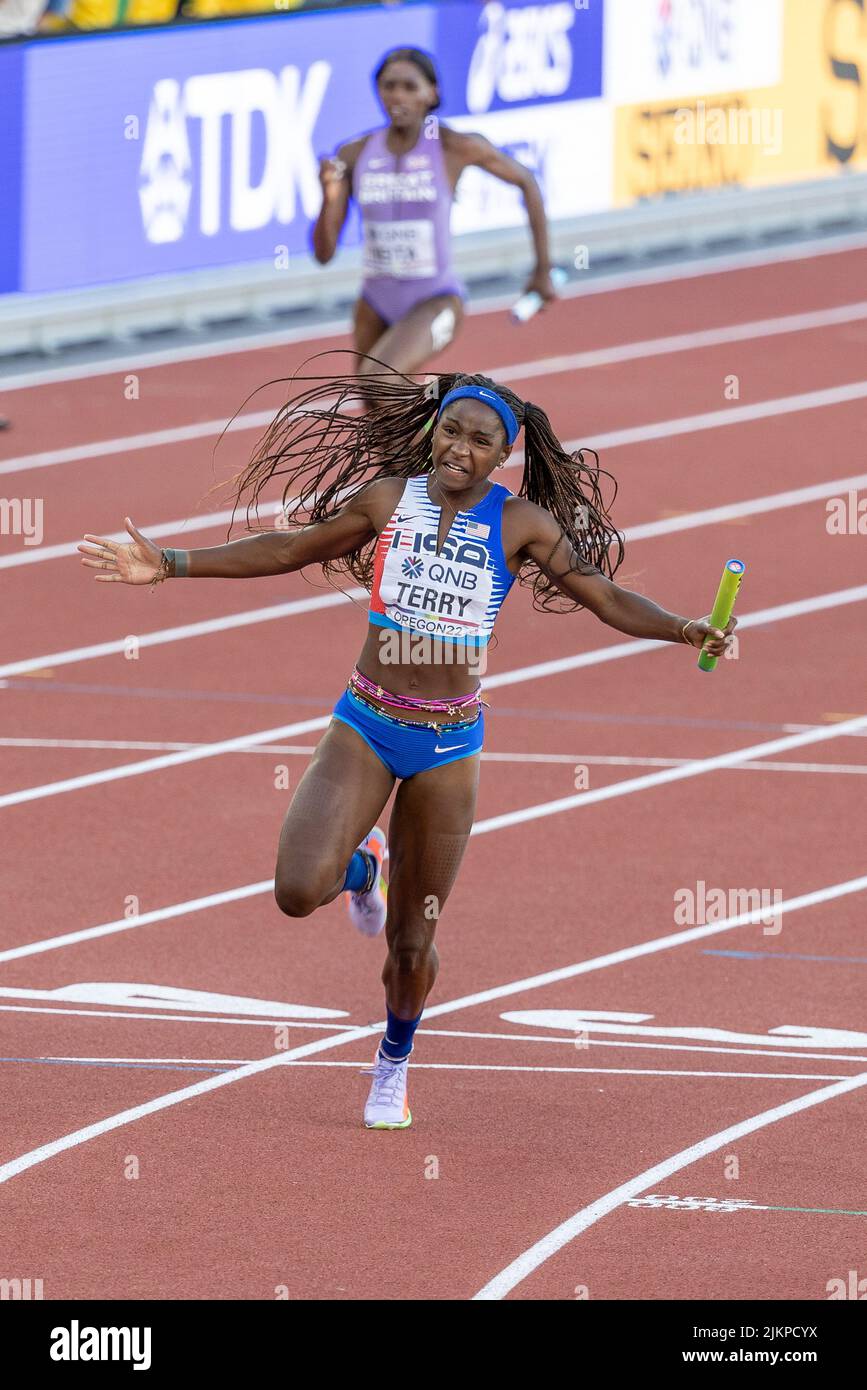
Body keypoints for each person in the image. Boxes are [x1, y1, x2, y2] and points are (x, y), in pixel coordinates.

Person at [78, 365, 736, 1130]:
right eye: (450, 430)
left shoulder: (520, 524)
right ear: (432, 431)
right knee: (297, 889)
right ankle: (363, 866)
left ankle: (391, 1062)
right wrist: (169, 563)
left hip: (449, 747)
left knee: (412, 943)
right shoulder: (390, 499)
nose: (460, 447)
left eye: (480, 440)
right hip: (365, 722)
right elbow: (292, 546)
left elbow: (605, 595)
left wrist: (685, 627)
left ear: (503, 455)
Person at [312, 46, 558, 395]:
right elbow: (324, 254)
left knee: (380, 380)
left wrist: (542, 270)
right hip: (374, 301)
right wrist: (330, 196)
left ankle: (437, 440)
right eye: (388, 85)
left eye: (410, 87)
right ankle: (422, 445)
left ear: (432, 93)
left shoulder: (452, 147)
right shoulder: (355, 154)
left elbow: (527, 182)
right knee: (376, 411)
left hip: (435, 298)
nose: (397, 95)